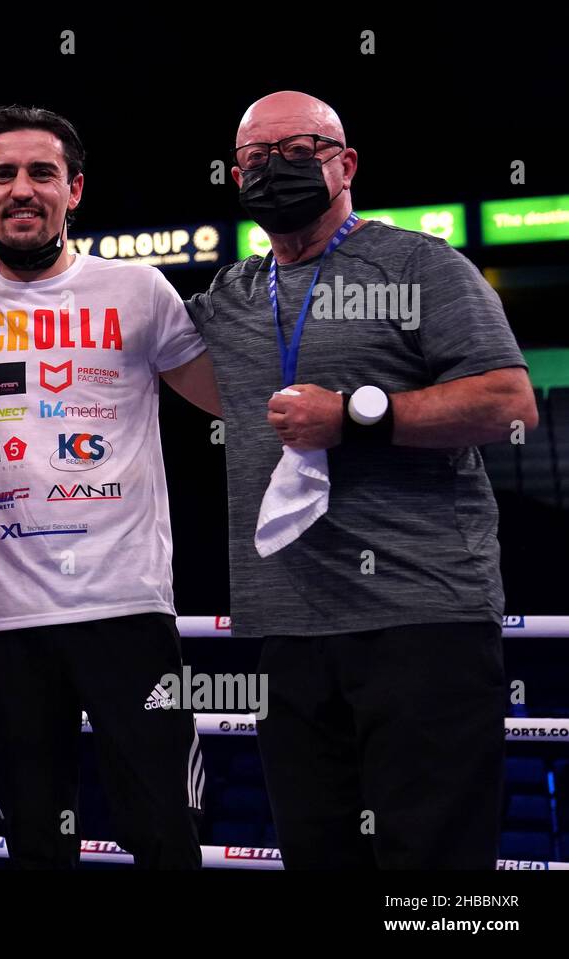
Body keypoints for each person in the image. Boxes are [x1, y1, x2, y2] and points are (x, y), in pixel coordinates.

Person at [185, 90, 539, 868]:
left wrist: (358, 416)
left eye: (296, 151)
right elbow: (115, 330)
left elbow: (508, 401)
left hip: (423, 618)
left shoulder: (419, 264)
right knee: (319, 857)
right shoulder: (232, 297)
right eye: (253, 159)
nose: (273, 170)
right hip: (289, 628)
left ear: (345, 163)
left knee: (434, 873)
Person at [0, 106, 220, 868]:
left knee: (165, 834)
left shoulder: (141, 291)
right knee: (37, 845)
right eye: (2, 175)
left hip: (126, 607)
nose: (23, 189)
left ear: (74, 189)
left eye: (42, 173)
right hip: (3, 617)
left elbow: (226, 398)